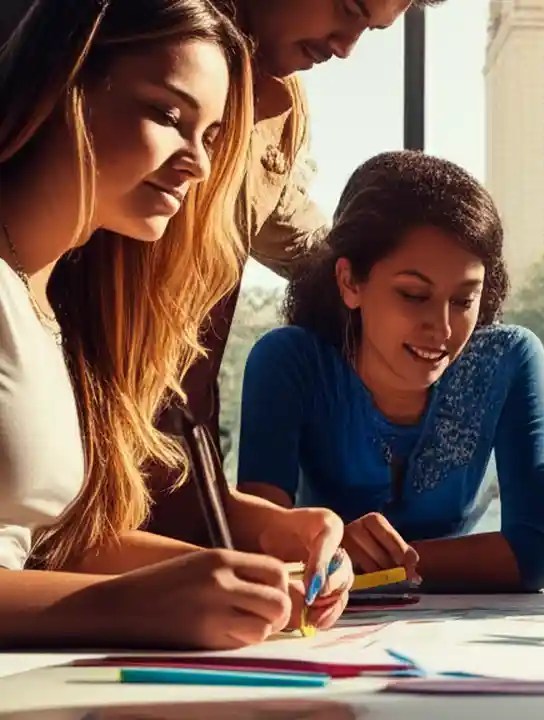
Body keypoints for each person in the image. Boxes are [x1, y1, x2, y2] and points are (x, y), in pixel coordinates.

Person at [0, 0, 348, 649]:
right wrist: (121, 608)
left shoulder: (71, 316)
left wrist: (260, 561)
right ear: (65, 81)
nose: (199, 164)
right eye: (167, 115)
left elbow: (51, 547)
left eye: (212, 137)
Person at [137, 0, 448, 572]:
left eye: (371, 29)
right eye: (349, 8)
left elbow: (300, 237)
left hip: (167, 457)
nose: (347, 45)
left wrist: (406, 288)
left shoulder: (281, 107)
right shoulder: (125, 40)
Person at [236, 151, 544, 593]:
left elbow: (530, 557)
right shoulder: (289, 362)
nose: (443, 329)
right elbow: (259, 542)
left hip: (458, 633)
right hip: (330, 630)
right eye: (413, 295)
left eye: (464, 301)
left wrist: (350, 561)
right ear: (350, 282)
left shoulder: (509, 359)